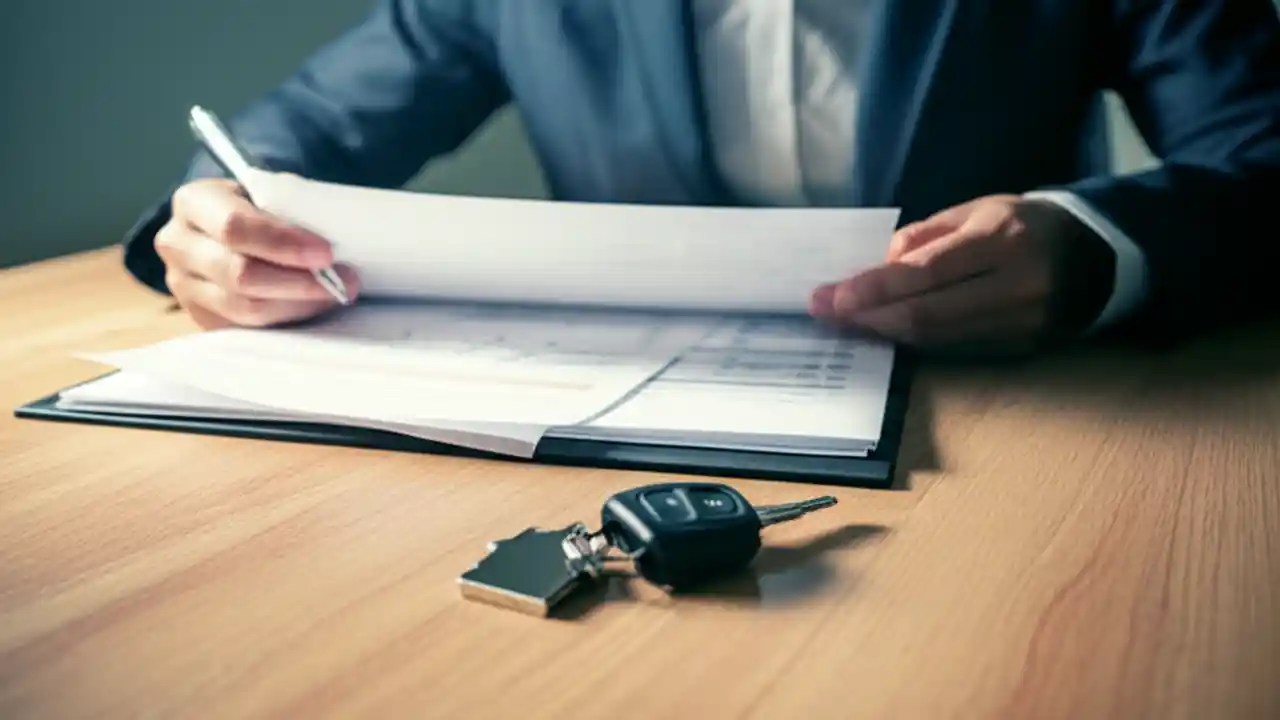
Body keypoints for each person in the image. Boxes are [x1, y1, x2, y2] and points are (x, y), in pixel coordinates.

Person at [124, 0, 1280, 350]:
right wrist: (218, 222)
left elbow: (1258, 152)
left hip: (1023, 417)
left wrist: (1092, 246)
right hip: (596, 434)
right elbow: (303, 129)